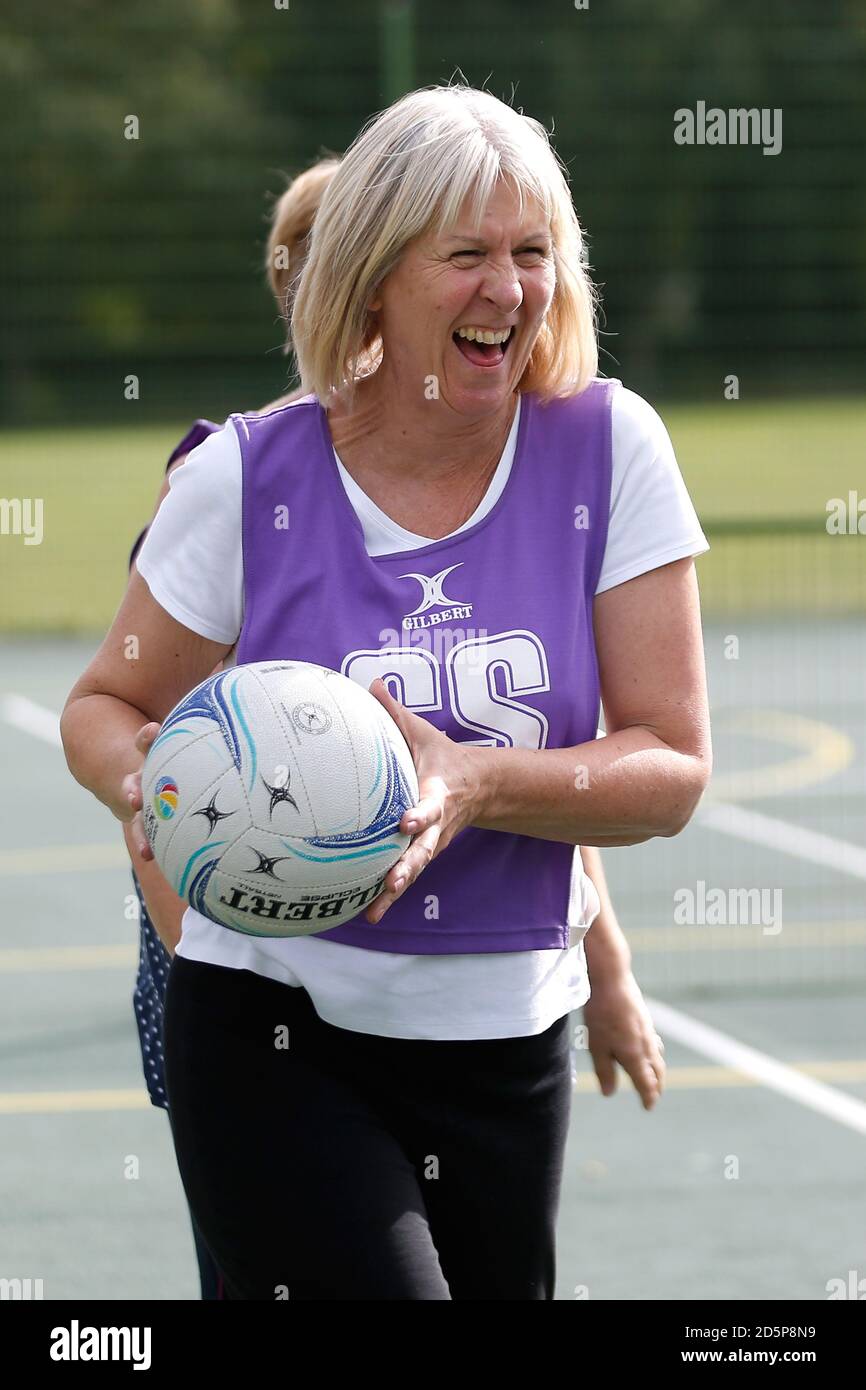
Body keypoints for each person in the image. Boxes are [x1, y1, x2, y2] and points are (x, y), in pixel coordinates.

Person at [63, 84, 711, 1300]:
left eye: (530, 253)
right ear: (371, 275)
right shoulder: (242, 476)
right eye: (464, 256)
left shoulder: (609, 450)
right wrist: (154, 790)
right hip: (271, 1022)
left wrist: (478, 784)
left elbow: (669, 768)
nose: (505, 289)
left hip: (507, 1039)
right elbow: (103, 706)